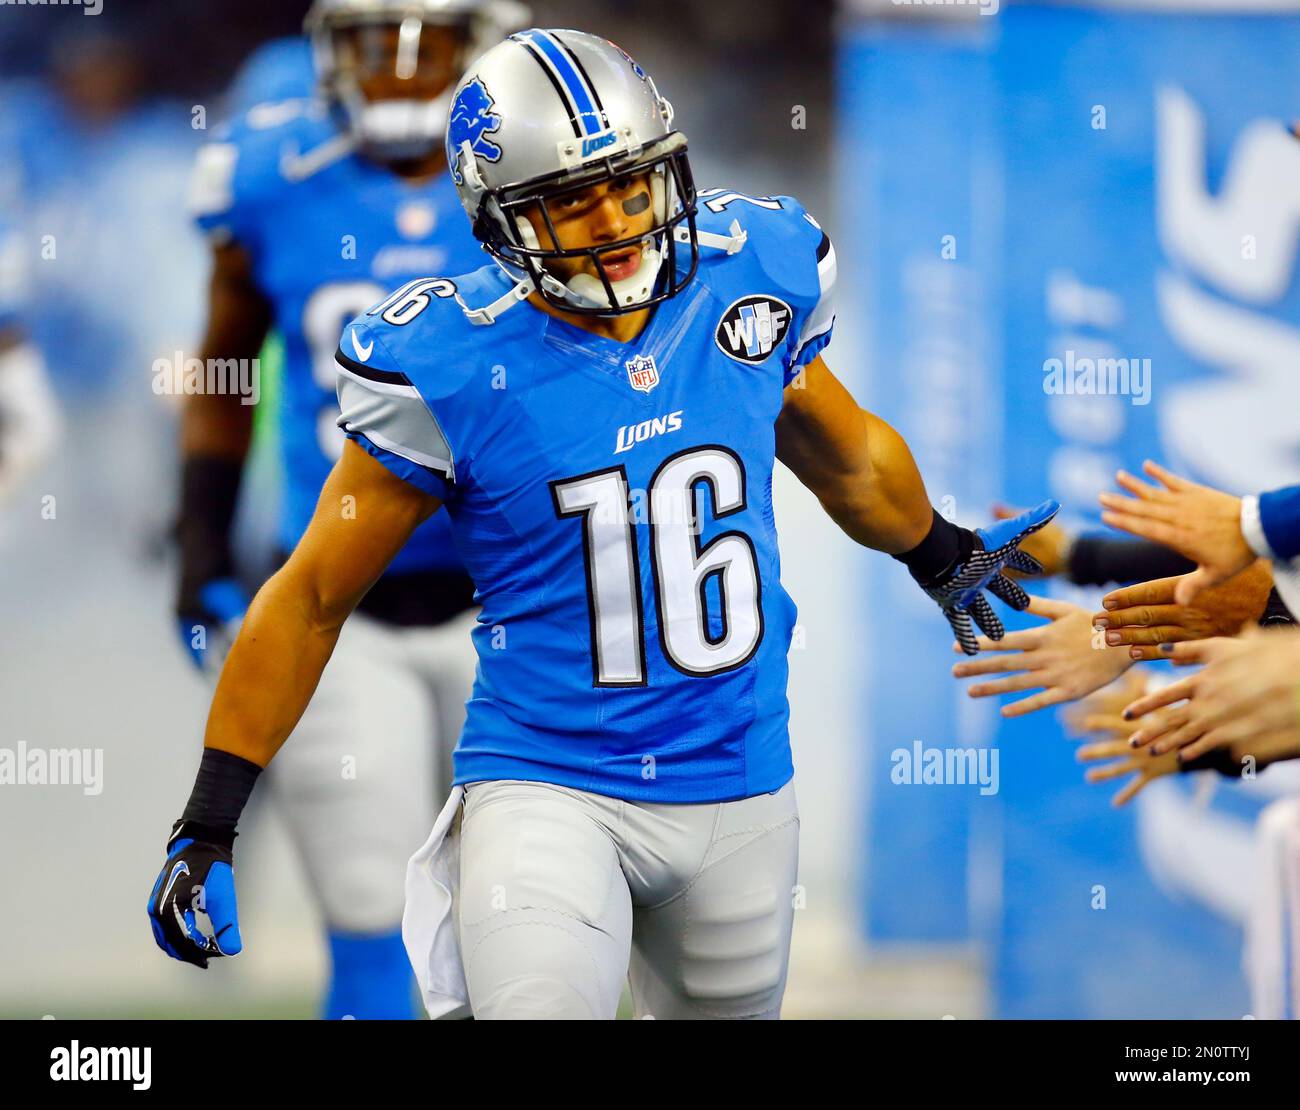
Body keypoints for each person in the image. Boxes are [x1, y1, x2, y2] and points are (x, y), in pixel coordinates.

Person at [149, 28, 1056, 1019]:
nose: (616, 220)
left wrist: (939, 550)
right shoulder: (450, 359)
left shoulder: (748, 275)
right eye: (571, 200)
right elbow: (313, 597)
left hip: (743, 783)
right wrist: (208, 821)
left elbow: (847, 458)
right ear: (499, 220)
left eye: (631, 185)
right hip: (549, 783)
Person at [177, 0, 521, 1018]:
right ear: (331, 52)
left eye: (427, 47)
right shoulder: (271, 183)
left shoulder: (540, 173)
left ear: (479, 48)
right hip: (337, 602)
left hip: (523, 598)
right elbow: (226, 366)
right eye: (376, 45)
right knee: (371, 913)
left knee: (538, 914)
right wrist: (197, 537)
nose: (400, 72)